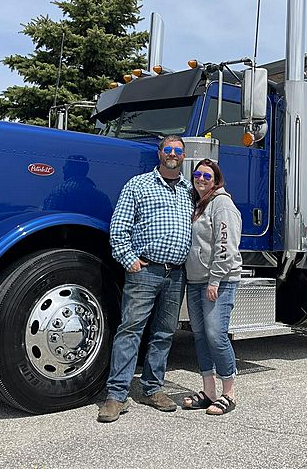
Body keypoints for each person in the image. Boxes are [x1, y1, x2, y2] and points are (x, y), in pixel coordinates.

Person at [97, 135, 194, 423]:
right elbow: (119, 228)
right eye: (168, 149)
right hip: (145, 271)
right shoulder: (138, 185)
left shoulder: (189, 190)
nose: (173, 154)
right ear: (160, 153)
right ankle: (116, 395)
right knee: (130, 330)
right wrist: (129, 260)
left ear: (183, 156)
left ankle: (152, 389)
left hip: (176, 273)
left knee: (164, 333)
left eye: (178, 150)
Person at [182, 159, 242, 416]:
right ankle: (209, 391)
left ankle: (229, 393)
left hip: (218, 280)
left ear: (216, 180)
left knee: (216, 335)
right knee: (200, 335)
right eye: (197, 174)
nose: (201, 179)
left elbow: (226, 244)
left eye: (207, 176)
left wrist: (215, 279)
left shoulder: (222, 204)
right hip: (195, 281)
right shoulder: (198, 204)